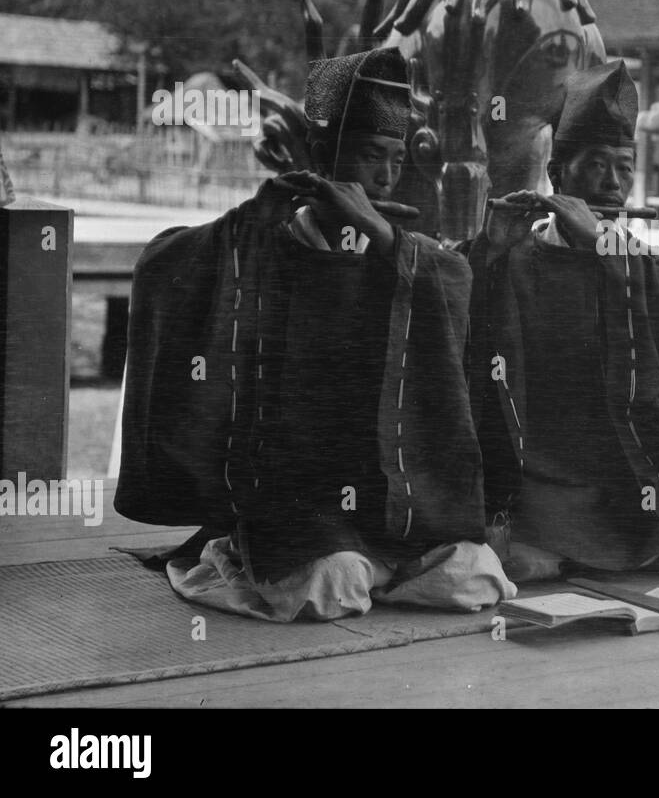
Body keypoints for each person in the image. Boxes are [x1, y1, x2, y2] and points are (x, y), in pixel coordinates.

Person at [115, 47, 514, 621]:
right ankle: (233, 554)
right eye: (370, 156)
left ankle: (380, 567)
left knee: (475, 578)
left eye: (396, 160)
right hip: (297, 490)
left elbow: (457, 282)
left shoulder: (407, 256)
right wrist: (248, 222)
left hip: (391, 486)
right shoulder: (266, 242)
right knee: (334, 586)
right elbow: (163, 264)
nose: (384, 175)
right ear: (324, 157)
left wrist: (380, 232)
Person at [463, 60, 659, 580]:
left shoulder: (642, 264)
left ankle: (573, 558)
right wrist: (489, 252)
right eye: (597, 165)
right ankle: (568, 551)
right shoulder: (516, 257)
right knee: (511, 556)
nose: (614, 183)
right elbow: (457, 313)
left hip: (628, 467)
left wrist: (602, 245)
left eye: (625, 166)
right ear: (557, 175)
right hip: (546, 476)